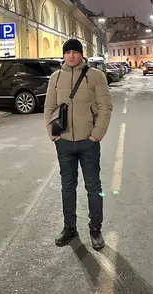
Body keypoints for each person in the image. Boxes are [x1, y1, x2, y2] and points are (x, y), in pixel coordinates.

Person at [44, 39, 113, 250]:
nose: (71, 56)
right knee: (67, 186)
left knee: (93, 187)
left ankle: (95, 229)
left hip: (88, 142)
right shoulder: (56, 78)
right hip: (64, 142)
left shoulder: (96, 76)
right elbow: (49, 108)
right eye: (68, 52)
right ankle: (69, 228)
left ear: (81, 54)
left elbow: (105, 106)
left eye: (75, 52)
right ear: (63, 55)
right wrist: (54, 136)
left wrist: (96, 135)